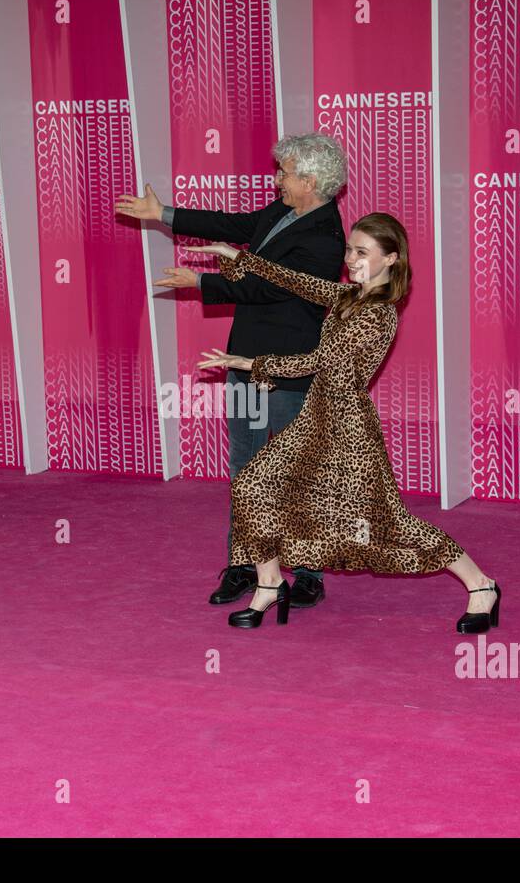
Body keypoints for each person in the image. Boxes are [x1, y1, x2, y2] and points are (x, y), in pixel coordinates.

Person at [191, 213, 501, 633]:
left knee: (390, 524)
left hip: (347, 431)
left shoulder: (378, 314)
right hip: (316, 415)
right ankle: (269, 583)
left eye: (361, 252)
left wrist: (252, 362)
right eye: (349, 250)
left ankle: (481, 585)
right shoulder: (347, 297)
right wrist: (239, 257)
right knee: (251, 485)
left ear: (391, 259)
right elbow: (296, 281)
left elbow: (320, 362)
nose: (350, 259)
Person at [114, 133, 346, 610]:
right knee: (244, 467)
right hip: (241, 362)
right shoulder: (280, 213)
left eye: (285, 173)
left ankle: (307, 573)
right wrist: (165, 214)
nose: (277, 179)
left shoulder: (326, 239)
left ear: (310, 180)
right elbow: (232, 224)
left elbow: (269, 290)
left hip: (288, 371)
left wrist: (202, 282)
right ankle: (247, 565)